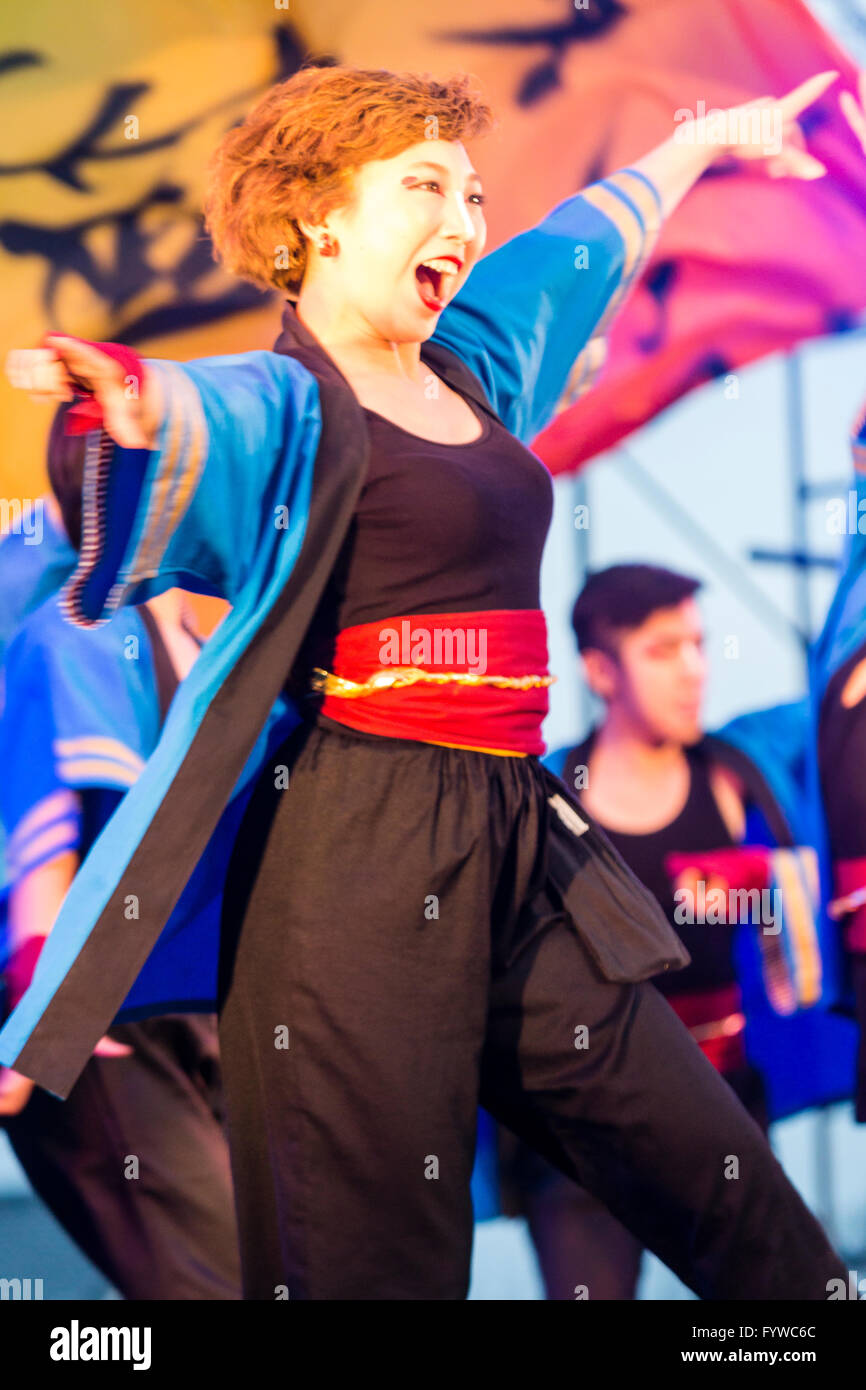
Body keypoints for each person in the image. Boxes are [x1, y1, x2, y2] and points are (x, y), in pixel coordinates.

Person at [1, 64, 850, 1300]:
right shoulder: (291, 406)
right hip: (351, 860)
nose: (463, 219)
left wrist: (705, 140)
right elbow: (198, 417)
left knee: (747, 1219)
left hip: (519, 842)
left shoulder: (474, 374)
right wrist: (124, 402)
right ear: (315, 219)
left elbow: (572, 254)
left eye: (469, 192)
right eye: (423, 187)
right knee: (379, 1275)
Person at [491, 563, 854, 1299]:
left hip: (723, 1116)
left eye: (698, 644)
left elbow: (841, 687)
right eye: (663, 651)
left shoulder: (739, 772)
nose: (693, 671)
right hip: (581, 1138)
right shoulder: (546, 799)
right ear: (600, 669)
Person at [0, 408, 242, 1299]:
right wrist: (40, 1004)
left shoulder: (207, 643)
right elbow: (46, 851)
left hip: (205, 1012)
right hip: (95, 1019)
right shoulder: (74, 634)